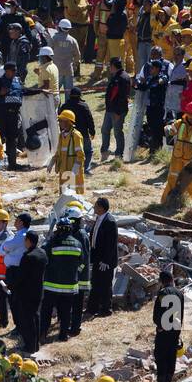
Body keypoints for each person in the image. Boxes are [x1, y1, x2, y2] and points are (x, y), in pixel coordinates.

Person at [40, 206, 86, 344]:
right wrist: (75, 273)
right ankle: (63, 335)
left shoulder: (52, 243)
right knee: (66, 312)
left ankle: (43, 334)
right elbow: (82, 263)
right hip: (70, 286)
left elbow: (43, 257)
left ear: (58, 229)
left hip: (51, 286)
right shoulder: (78, 244)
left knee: (46, 311)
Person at [162, 101, 192, 204]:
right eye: (190, 115)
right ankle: (165, 202)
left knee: (188, 182)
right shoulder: (179, 123)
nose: (191, 118)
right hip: (177, 157)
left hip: (191, 160)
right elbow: (170, 130)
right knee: (172, 178)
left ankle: (186, 203)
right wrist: (168, 128)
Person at [150, 269, 184, 382]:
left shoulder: (163, 293)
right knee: (171, 354)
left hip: (164, 329)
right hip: (176, 328)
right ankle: (169, 381)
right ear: (172, 279)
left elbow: (158, 312)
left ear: (161, 281)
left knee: (160, 354)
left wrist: (159, 326)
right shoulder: (180, 293)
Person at [86, 196, 118, 317]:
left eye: (96, 205)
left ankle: (106, 309)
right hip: (97, 258)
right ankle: (92, 308)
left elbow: (111, 243)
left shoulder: (110, 221)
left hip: (106, 260)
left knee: (105, 284)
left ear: (101, 208)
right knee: (95, 282)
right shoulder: (99, 219)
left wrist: (106, 260)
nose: (94, 207)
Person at [0, 61, 24, 169]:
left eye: (15, 70)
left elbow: (23, 92)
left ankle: (12, 164)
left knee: (12, 139)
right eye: (13, 70)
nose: (15, 72)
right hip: (0, 114)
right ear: (7, 71)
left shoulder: (17, 81)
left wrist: (40, 91)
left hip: (13, 115)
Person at [100, 57, 131, 162]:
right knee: (105, 129)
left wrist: (118, 112)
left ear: (113, 66)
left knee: (117, 132)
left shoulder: (123, 77)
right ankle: (104, 151)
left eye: (110, 65)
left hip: (117, 111)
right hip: (110, 110)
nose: (109, 68)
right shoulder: (116, 76)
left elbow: (123, 97)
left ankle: (119, 154)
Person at [52, 108, 86, 194]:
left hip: (73, 169)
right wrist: (53, 161)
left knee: (74, 194)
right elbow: (59, 151)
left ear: (68, 122)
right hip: (64, 169)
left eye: (61, 120)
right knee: (64, 194)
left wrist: (75, 169)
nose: (59, 122)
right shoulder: (61, 135)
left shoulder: (76, 135)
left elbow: (81, 155)